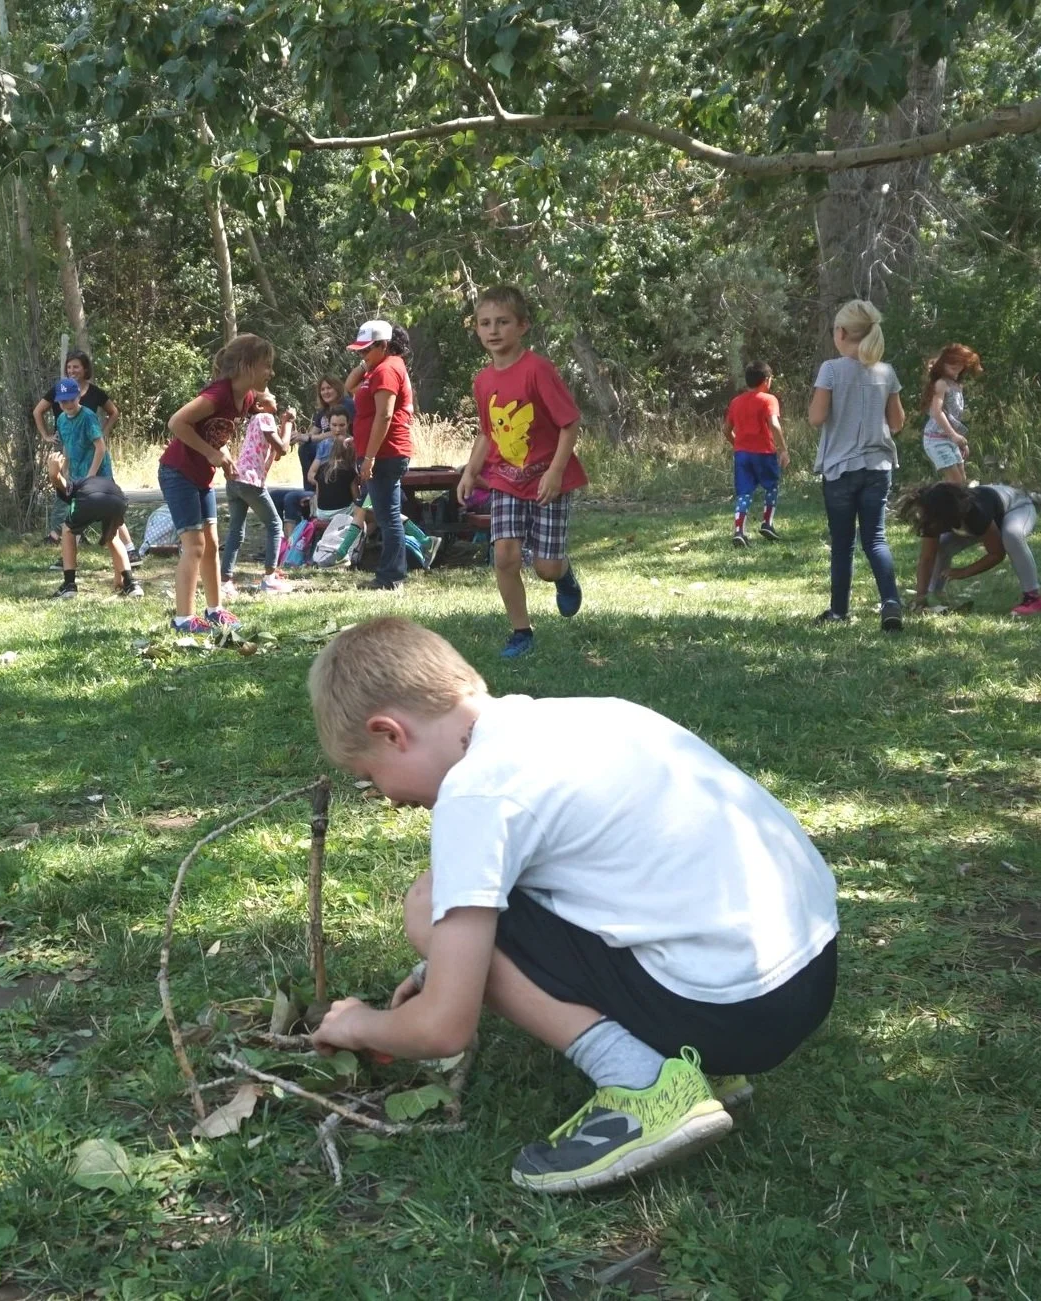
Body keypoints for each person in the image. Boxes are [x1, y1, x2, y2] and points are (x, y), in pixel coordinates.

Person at [307, 617, 839, 1194]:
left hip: (730, 1012)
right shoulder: (591, 715)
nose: (388, 798)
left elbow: (443, 1029)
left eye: (370, 775)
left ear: (390, 733)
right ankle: (698, 1065)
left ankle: (642, 1086)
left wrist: (361, 1024)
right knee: (467, 900)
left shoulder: (477, 790)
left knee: (428, 901)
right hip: (805, 979)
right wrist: (440, 971)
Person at [456, 285, 588, 659]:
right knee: (505, 556)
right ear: (477, 329)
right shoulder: (483, 381)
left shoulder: (538, 370)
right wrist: (470, 471)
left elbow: (569, 424)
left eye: (502, 322)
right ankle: (520, 632)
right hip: (505, 480)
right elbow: (487, 432)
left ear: (522, 326)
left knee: (545, 568)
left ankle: (563, 573)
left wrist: (556, 472)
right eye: (485, 323)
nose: (493, 330)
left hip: (548, 479)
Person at [161, 333, 273, 634]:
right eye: (266, 365)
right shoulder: (218, 394)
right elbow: (176, 422)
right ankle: (184, 619)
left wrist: (223, 456)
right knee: (195, 545)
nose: (270, 372)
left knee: (211, 543)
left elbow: (219, 429)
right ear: (246, 366)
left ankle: (215, 610)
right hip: (178, 472)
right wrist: (211, 453)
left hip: (201, 476)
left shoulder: (244, 398)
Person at [809, 300, 906, 630]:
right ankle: (890, 602)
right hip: (878, 467)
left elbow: (816, 417)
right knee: (876, 539)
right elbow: (897, 423)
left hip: (840, 468)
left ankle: (839, 611)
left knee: (842, 544)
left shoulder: (831, 370)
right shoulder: (886, 372)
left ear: (840, 333)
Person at [901, 481, 1041, 617]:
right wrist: (921, 595)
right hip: (982, 518)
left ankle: (1033, 598)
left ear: (945, 514)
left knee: (1011, 536)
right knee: (942, 546)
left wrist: (963, 572)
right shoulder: (932, 517)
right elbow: (927, 558)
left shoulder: (976, 513)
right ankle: (934, 595)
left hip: (1017, 506)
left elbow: (996, 554)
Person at [344, 320, 417, 592]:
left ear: (384, 345)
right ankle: (391, 573)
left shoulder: (387, 370)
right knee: (387, 515)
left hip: (386, 453)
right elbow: (349, 386)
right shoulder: (376, 369)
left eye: (367, 350)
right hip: (379, 453)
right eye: (360, 351)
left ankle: (391, 577)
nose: (362, 355)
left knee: (388, 517)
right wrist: (365, 364)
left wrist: (370, 458)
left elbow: (385, 415)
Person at [34, 350, 121, 543]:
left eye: (76, 367)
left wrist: (103, 432)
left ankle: (123, 543)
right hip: (70, 449)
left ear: (85, 369)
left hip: (91, 454)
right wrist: (47, 436)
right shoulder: (61, 403)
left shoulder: (92, 401)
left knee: (106, 497)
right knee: (68, 492)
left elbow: (113, 413)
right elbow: (38, 411)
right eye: (69, 367)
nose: (72, 370)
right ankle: (62, 534)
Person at [220, 391, 295, 594]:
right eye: (270, 395)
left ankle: (225, 581)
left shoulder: (256, 420)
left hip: (235, 480)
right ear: (260, 405)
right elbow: (283, 448)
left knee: (236, 530)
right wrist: (289, 424)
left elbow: (276, 454)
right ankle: (270, 579)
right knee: (275, 525)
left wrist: (283, 424)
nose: (275, 396)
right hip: (250, 481)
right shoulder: (265, 417)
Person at [46, 451, 141, 599]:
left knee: (68, 530)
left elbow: (60, 483)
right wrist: (118, 579)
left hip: (89, 498)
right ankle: (130, 583)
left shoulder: (77, 485)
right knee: (113, 537)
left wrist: (54, 473)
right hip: (118, 499)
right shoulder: (97, 481)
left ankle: (69, 584)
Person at [724, 361, 789, 545]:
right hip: (764, 452)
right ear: (767, 380)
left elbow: (726, 429)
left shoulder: (736, 402)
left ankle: (739, 531)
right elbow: (774, 425)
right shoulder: (769, 399)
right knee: (771, 486)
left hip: (742, 455)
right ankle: (767, 523)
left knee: (744, 492)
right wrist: (783, 450)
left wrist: (737, 444)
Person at [920, 344, 982, 486]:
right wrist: (954, 435)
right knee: (955, 481)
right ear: (942, 364)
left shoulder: (957, 385)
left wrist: (959, 440)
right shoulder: (941, 384)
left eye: (960, 366)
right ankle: (937, 498)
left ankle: (945, 498)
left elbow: (952, 417)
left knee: (961, 479)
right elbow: (937, 412)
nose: (957, 369)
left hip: (950, 438)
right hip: (936, 439)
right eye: (953, 366)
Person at [298, 376, 353, 484]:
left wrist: (310, 438)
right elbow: (313, 432)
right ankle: (312, 486)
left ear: (337, 388)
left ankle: (316, 486)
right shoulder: (323, 411)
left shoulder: (347, 404)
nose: (325, 392)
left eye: (329, 388)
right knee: (305, 447)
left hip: (344, 444)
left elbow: (338, 431)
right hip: (326, 446)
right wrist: (300, 437)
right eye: (322, 389)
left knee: (314, 447)